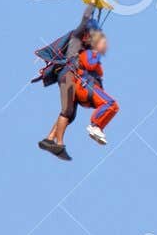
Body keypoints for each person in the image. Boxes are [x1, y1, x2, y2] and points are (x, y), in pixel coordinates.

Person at [37, 14, 119, 160]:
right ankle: (89, 129)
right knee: (70, 111)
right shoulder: (80, 44)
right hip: (75, 80)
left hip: (78, 81)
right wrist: (92, 3)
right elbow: (86, 19)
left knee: (70, 114)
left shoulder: (86, 48)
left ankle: (50, 139)